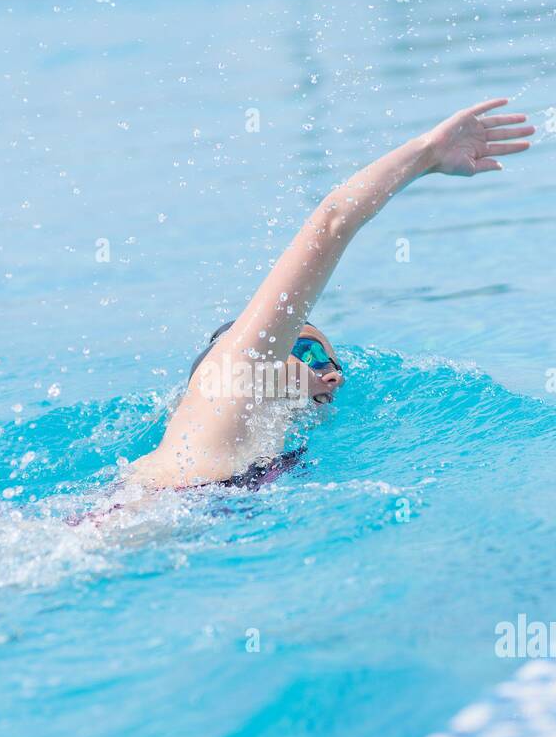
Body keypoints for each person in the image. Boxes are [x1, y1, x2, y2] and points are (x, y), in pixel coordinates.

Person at [129, 99, 533, 490]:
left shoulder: (252, 447)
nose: (333, 376)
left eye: (329, 361)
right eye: (307, 354)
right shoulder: (231, 378)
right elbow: (332, 223)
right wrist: (425, 155)